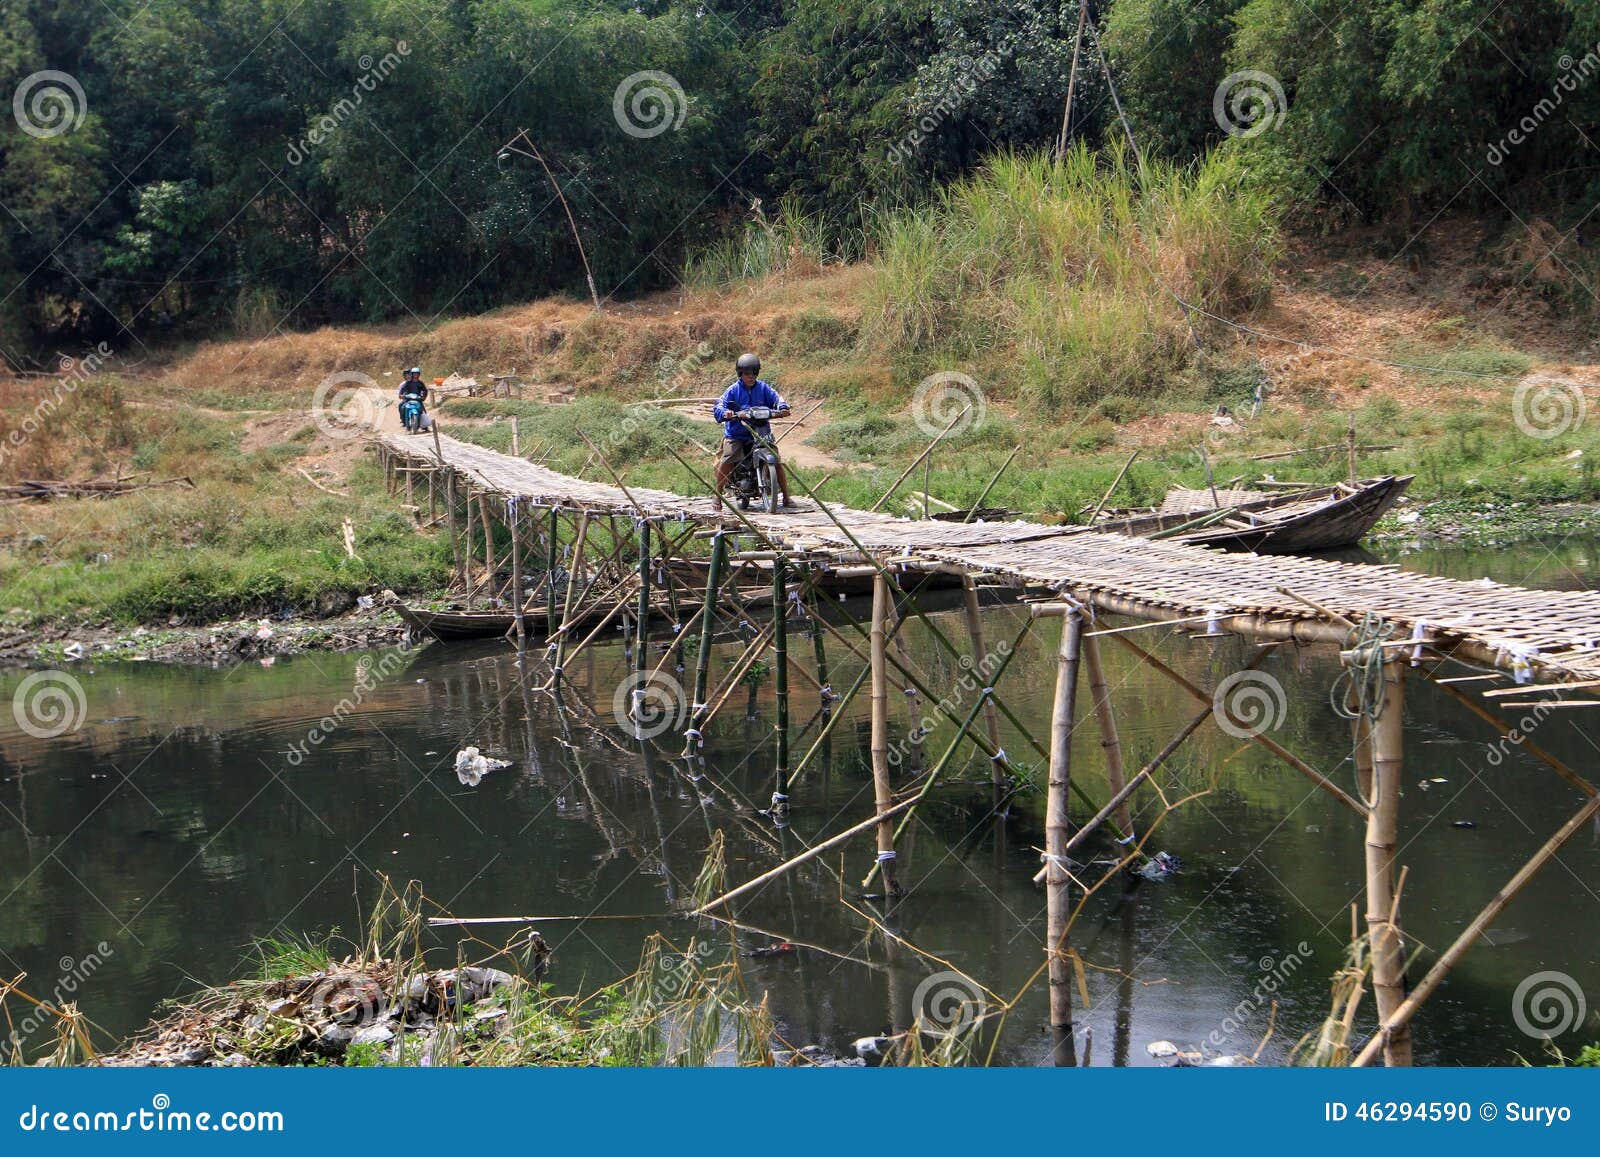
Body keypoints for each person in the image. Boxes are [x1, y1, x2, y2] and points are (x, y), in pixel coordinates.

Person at [713, 353, 792, 511]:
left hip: (761, 433)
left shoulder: (763, 388)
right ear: (740, 373)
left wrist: (783, 407)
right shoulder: (732, 390)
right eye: (748, 373)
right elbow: (719, 405)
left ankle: (786, 496)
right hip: (737, 434)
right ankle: (717, 494)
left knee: (776, 459)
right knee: (728, 458)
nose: (751, 376)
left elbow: (777, 398)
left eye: (754, 373)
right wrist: (725, 413)